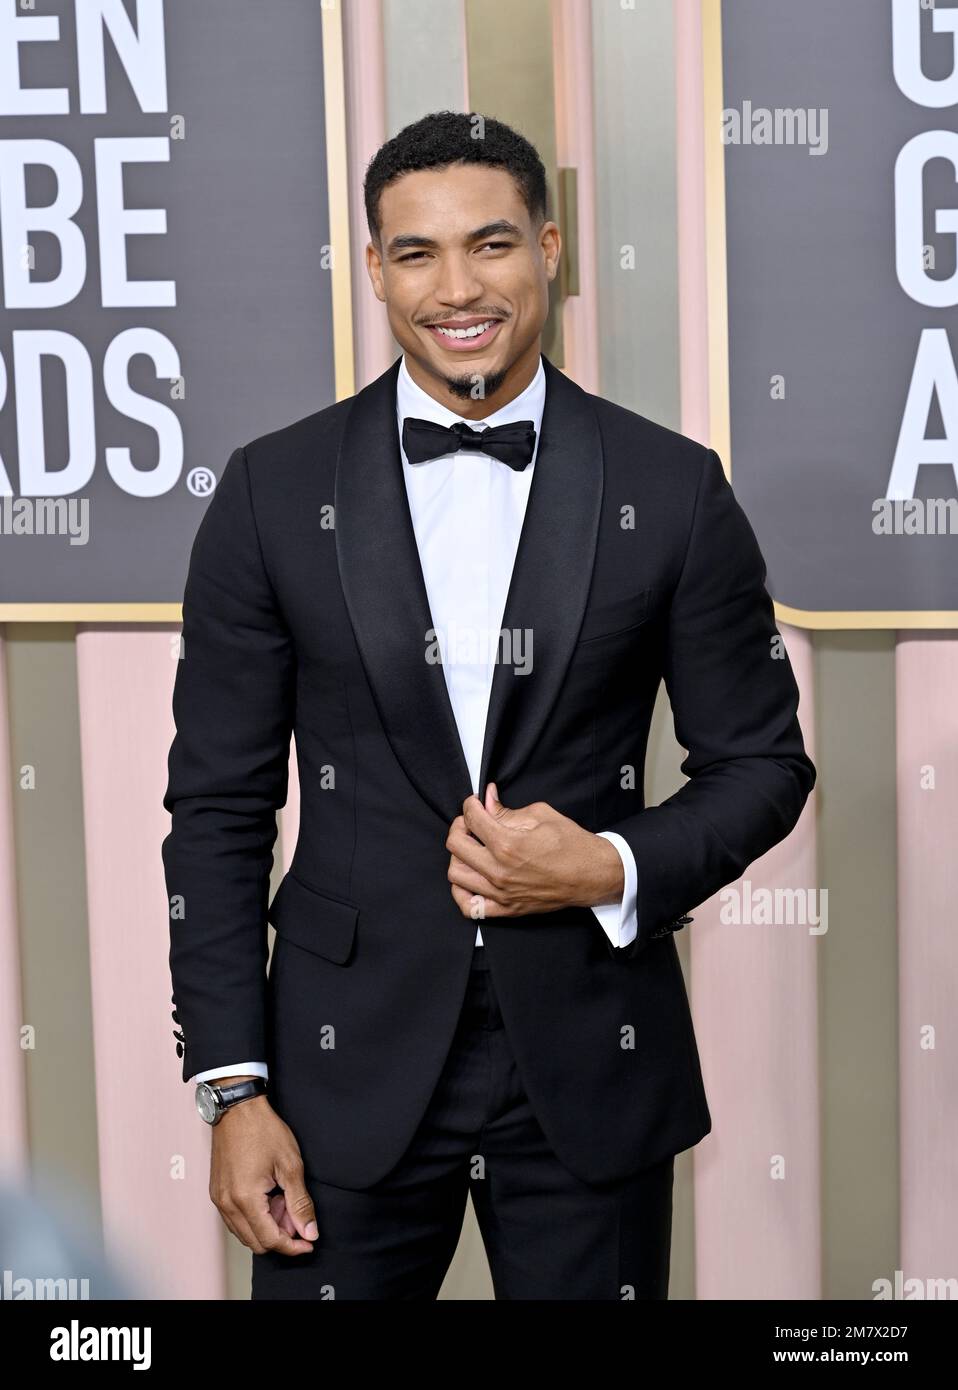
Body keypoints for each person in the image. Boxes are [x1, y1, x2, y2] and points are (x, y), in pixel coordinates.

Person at [161, 110, 816, 1301]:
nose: (457, 287)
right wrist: (234, 1084)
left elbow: (765, 766)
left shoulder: (669, 489)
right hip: (335, 1073)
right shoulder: (271, 492)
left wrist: (606, 864)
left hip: (588, 1059)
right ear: (373, 267)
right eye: (416, 253)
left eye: (492, 244)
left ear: (552, 248)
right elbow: (215, 805)